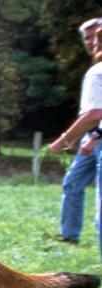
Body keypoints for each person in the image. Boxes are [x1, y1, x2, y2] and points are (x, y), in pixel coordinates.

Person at [49, 17, 102, 259]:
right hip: (93, 137)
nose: (92, 43)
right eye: (88, 38)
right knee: (72, 183)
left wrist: (63, 139)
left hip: (97, 138)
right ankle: (69, 234)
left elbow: (95, 113)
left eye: (97, 37)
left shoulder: (96, 72)